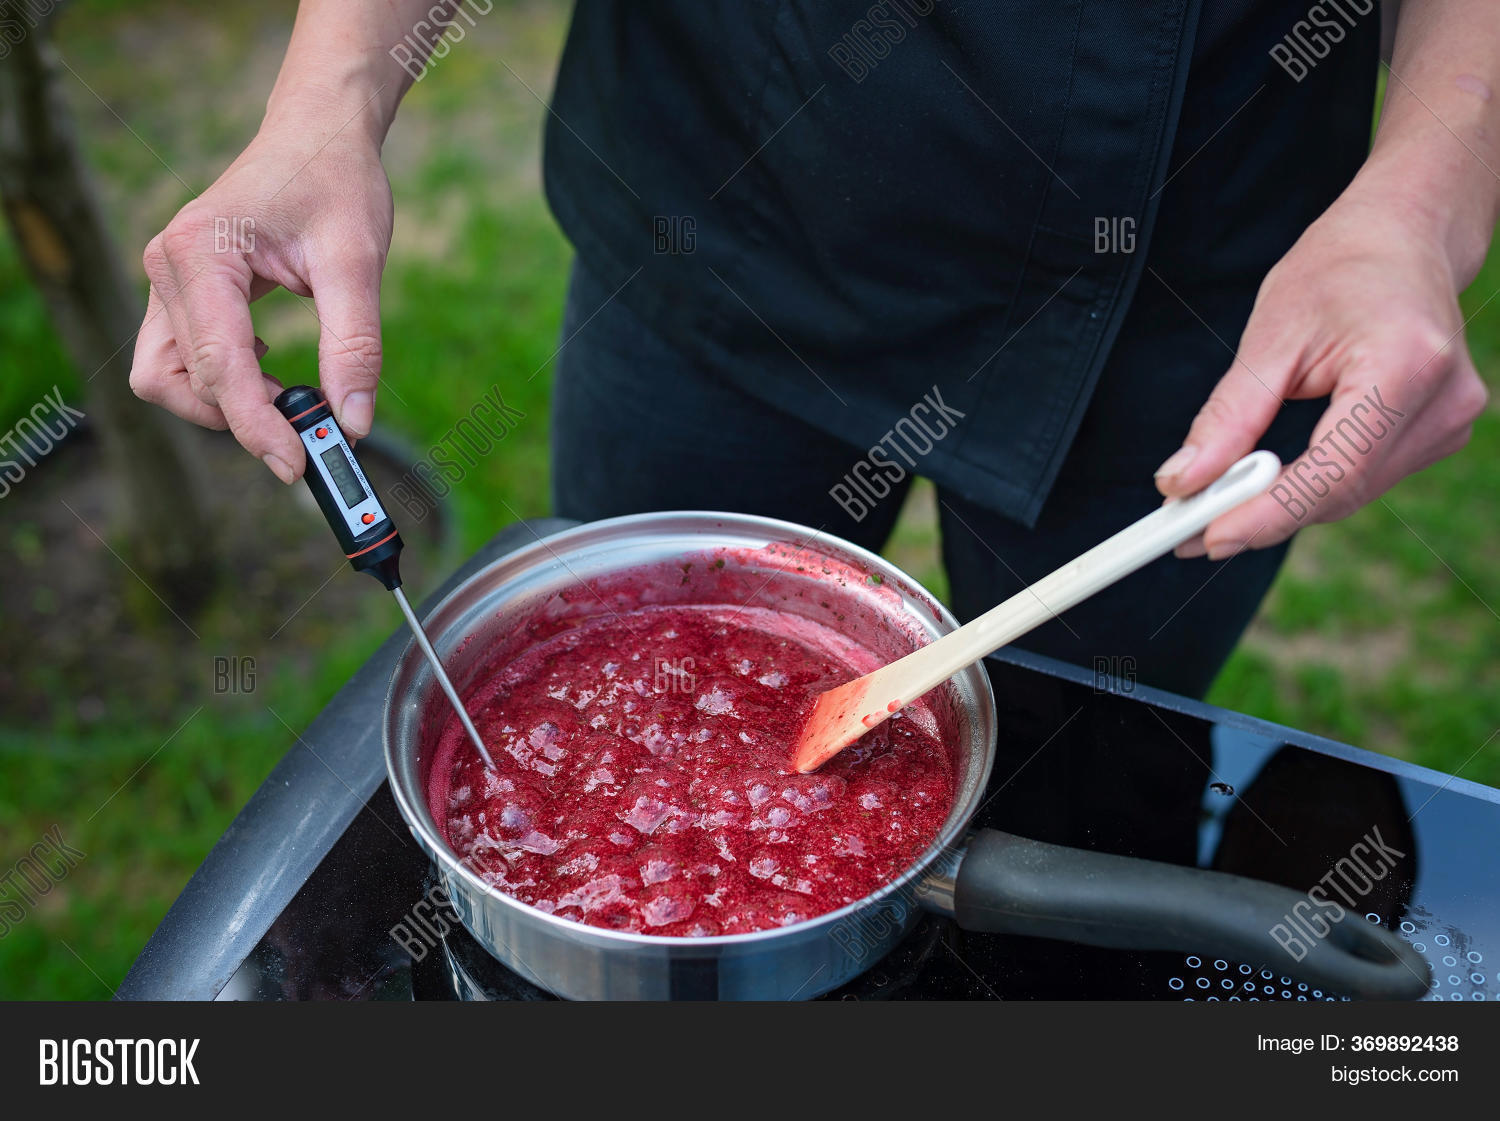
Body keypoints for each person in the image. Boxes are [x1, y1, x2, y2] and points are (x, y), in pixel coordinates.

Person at [129, 1, 1495, 698]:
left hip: (1196, 298)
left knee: (1087, 816)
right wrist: (329, 96)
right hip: (721, 200)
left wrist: (1422, 205)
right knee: (634, 694)